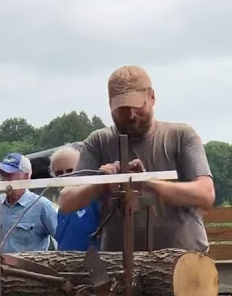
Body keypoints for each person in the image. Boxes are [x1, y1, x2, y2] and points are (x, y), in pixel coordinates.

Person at [56, 65, 216, 254]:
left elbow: (205, 195)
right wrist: (101, 184)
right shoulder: (98, 142)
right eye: (123, 110)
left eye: (138, 107)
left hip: (184, 260)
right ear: (110, 105)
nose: (131, 115)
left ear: (152, 97)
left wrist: (150, 183)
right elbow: (66, 202)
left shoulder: (181, 136)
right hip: (117, 261)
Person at [0, 153, 59, 254]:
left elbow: (63, 240)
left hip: (28, 269)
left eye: (10, 175)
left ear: (26, 176)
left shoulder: (42, 206)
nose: (6, 180)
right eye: (4, 175)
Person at [50, 145, 101, 252]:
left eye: (70, 171)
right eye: (59, 173)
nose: (65, 176)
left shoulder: (95, 201)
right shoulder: (60, 209)